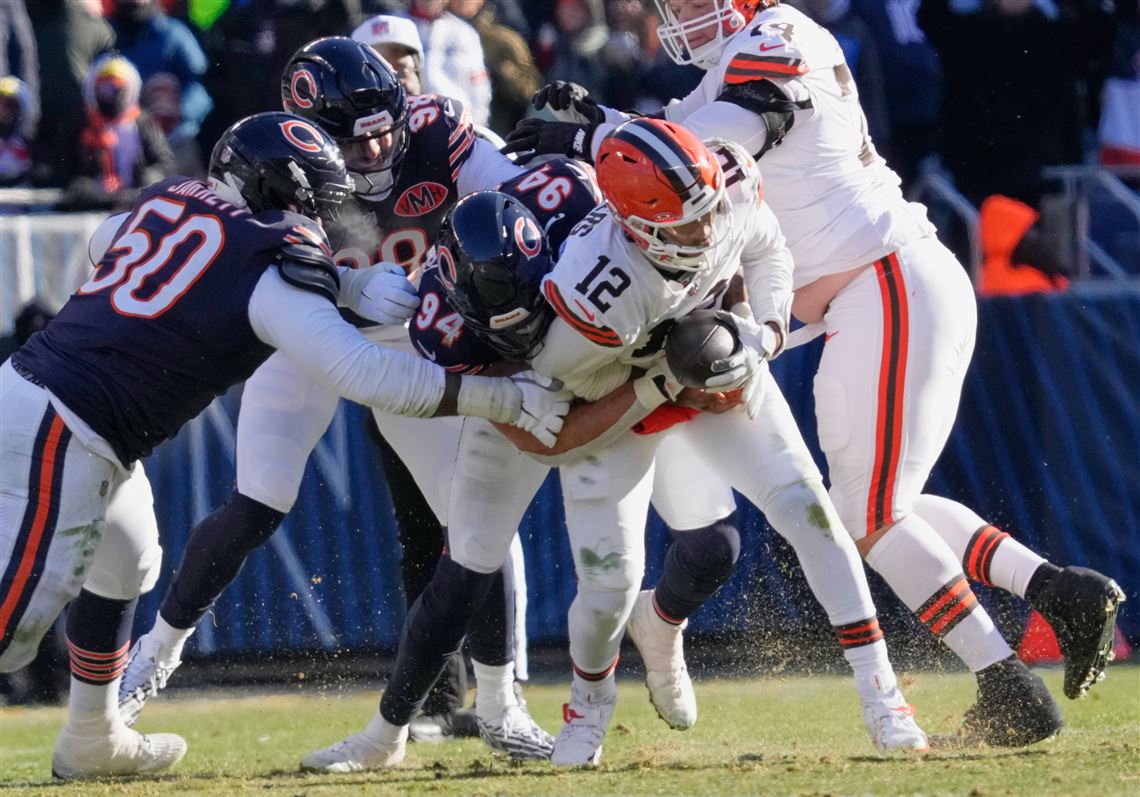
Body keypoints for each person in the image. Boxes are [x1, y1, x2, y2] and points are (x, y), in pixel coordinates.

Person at [509, 0, 1125, 746]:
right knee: (878, 507)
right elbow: (674, 139)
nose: (679, 15)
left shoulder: (775, 37)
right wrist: (600, 120)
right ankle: (1057, 591)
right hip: (872, 290)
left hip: (885, 280)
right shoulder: (734, 56)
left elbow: (711, 145)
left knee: (870, 518)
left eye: (693, 0)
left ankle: (1006, 684)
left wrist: (594, 135)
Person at [303, 119, 928, 772]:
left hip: (661, 350)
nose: (704, 233)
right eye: (687, 226)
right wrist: (664, 384)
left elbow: (762, 246)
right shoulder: (552, 310)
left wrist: (757, 332)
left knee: (805, 506)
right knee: (552, 575)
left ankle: (881, 692)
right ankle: (485, 719)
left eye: (706, 216)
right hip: (568, 393)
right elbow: (552, 435)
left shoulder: (674, 208)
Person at [0, 109, 568, 779]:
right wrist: (502, 399)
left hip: (61, 412)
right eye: (313, 205)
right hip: (62, 424)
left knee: (129, 560)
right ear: (276, 194)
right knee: (14, 632)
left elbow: (106, 242)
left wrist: (343, 282)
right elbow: (368, 374)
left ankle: (92, 735)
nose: (323, 222)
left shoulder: (168, 199)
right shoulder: (269, 270)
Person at [114, 38, 551, 751]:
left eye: (384, 131)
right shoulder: (278, 162)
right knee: (257, 500)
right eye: (356, 139)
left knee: (476, 521)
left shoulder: (437, 132)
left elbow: (522, 201)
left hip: (411, 339)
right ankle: (153, 656)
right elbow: (241, 260)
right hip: (308, 331)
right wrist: (347, 286)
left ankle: (501, 701)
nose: (376, 150)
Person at [65, 54, 175, 210]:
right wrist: (78, 181)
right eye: (103, 87)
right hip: (92, 205)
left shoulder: (143, 123)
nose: (108, 94)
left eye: (115, 87)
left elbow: (165, 161)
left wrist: (153, 177)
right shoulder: (81, 123)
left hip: (135, 204)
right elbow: (62, 164)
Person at [447, 0, 542, 136]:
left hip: (490, 132)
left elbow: (530, 89)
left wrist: (504, 74)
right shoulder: (430, 30)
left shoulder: (504, 41)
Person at [399, 0, 492, 127]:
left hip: (456, 124)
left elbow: (480, 90)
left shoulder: (465, 33)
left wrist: (475, 127)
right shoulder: (392, 25)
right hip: (406, 123)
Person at [352, 13, 425, 96]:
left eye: (402, 72)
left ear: (417, 75)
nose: (393, 85)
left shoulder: (435, 103)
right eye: (377, 75)